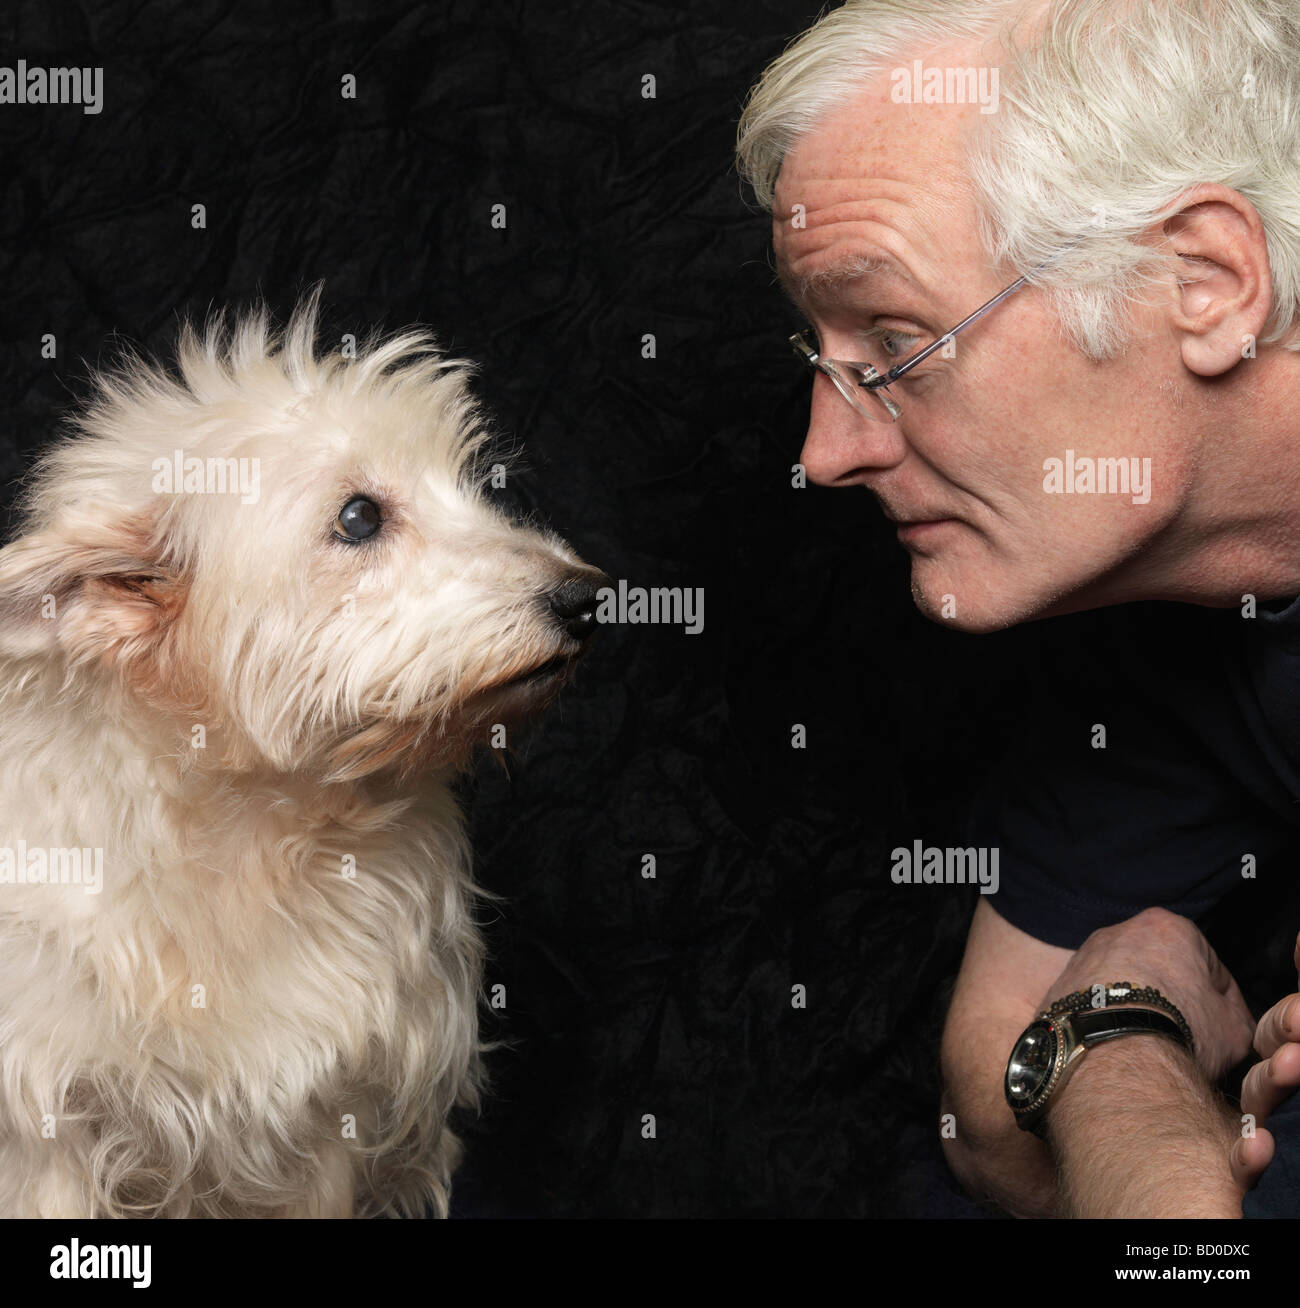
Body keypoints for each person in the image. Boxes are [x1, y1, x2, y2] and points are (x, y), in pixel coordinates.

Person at [735, 0, 1300, 1216]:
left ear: (1202, 279)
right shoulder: (1163, 622)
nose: (825, 451)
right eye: (822, 359)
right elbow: (986, 1113)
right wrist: (1128, 1047)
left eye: (895, 340)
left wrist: (1107, 1053)